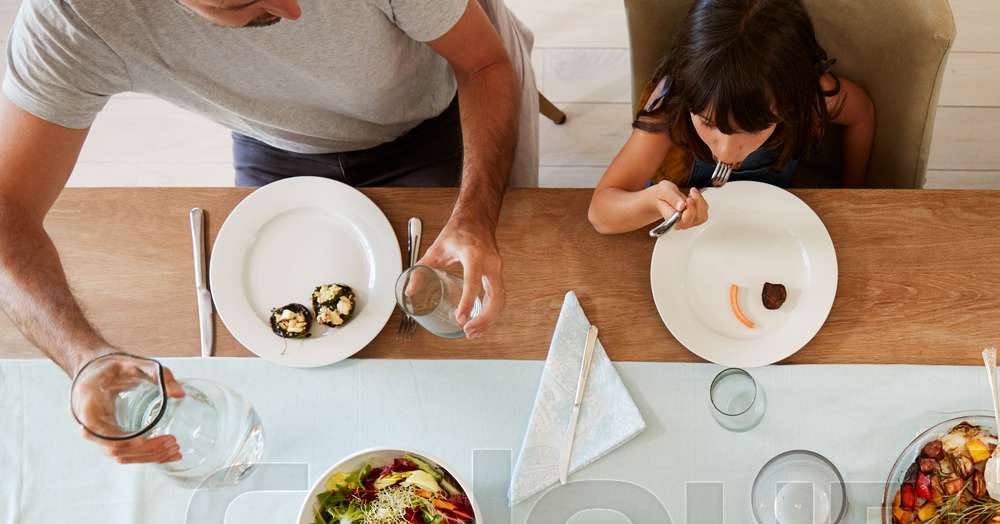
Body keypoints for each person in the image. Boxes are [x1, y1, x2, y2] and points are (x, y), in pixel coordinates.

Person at [0, 0, 523, 464]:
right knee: (286, 371)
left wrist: (475, 218)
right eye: (242, 3)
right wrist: (83, 357)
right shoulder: (74, 17)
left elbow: (485, 64)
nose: (295, 11)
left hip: (440, 113)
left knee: (462, 340)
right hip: (280, 146)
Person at [587, 0, 875, 235]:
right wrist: (651, 203)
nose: (725, 151)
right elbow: (600, 213)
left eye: (752, 128)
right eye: (708, 122)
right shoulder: (671, 104)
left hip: (773, 226)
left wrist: (853, 191)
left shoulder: (809, 97)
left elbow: (861, 114)